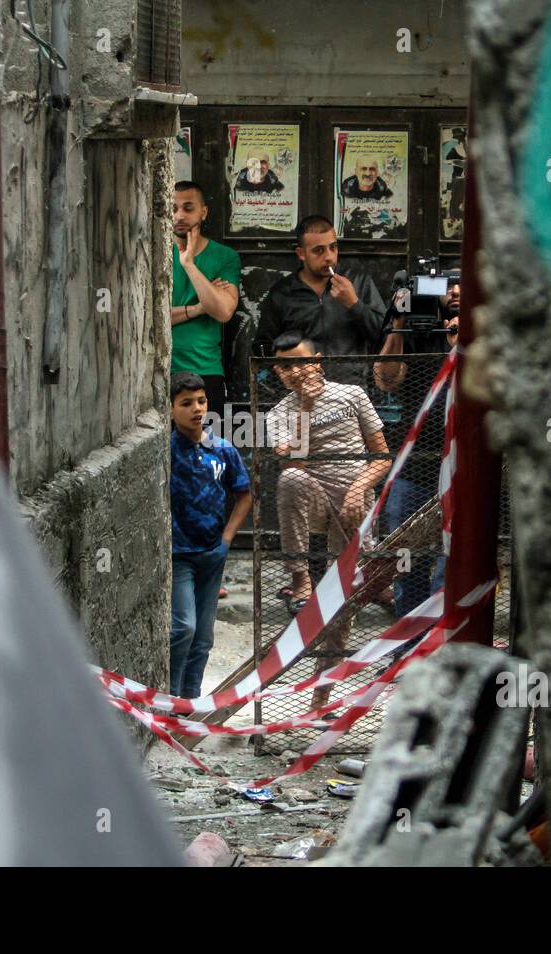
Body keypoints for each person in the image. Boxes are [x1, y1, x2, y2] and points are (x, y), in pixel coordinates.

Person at [268, 332, 391, 711]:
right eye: (286, 367)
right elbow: (295, 463)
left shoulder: (353, 394)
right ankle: (299, 577)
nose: (296, 372)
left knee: (343, 604)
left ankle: (320, 697)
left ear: (318, 360)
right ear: (277, 372)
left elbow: (382, 457)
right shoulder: (278, 414)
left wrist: (359, 488)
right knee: (289, 479)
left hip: (355, 502)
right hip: (315, 500)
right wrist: (304, 407)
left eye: (302, 362)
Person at [372, 272, 461, 618]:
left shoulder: (487, 334)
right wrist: (397, 322)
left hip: (461, 469)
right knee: (406, 560)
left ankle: (441, 645)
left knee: (450, 565)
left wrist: (463, 346)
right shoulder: (419, 332)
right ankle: (406, 647)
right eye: (447, 285)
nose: (454, 291)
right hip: (417, 466)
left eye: (461, 283)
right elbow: (387, 380)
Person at [169, 373, 253, 699]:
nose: (196, 409)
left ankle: (189, 702)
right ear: (170, 409)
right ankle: (169, 700)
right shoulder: (167, 451)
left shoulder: (221, 448)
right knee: (183, 628)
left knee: (203, 637)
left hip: (212, 553)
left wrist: (227, 540)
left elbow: (244, 494)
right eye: (186, 403)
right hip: (179, 554)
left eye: (201, 401)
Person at [258, 215, 386, 386]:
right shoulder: (283, 293)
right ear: (301, 254)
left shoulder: (359, 283)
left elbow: (385, 336)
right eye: (319, 250)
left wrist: (354, 304)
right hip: (300, 394)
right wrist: (290, 372)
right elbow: (263, 348)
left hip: (350, 391)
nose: (329, 257)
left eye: (333, 248)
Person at [171, 181, 241, 420]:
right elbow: (147, 319)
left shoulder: (224, 257)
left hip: (205, 372)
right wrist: (200, 308)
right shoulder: (150, 253)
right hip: (158, 372)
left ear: (204, 211)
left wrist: (189, 265)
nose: (179, 215)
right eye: (173, 208)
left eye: (188, 208)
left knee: (205, 453)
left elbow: (222, 311)